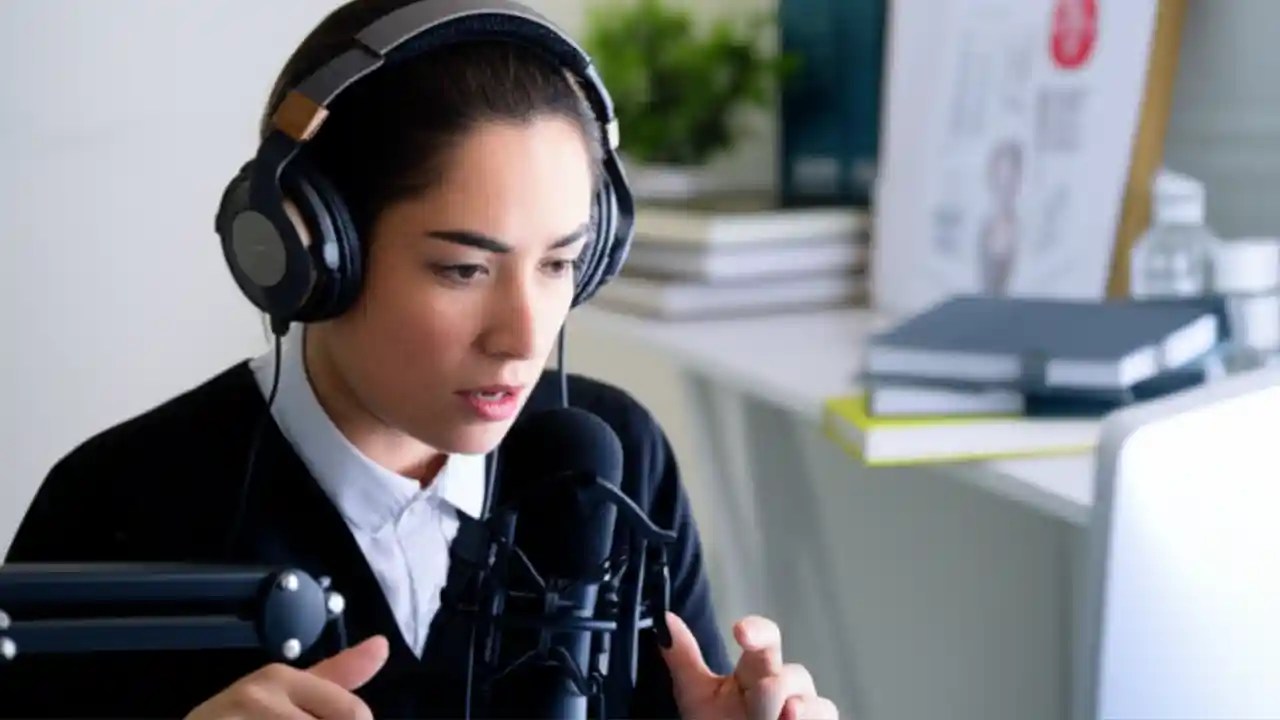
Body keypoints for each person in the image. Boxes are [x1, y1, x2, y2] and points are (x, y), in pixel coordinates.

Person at [0, 1, 838, 718]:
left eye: (557, 264)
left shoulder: (610, 461)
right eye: (463, 269)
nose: (522, 336)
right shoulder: (117, 502)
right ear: (310, 253)